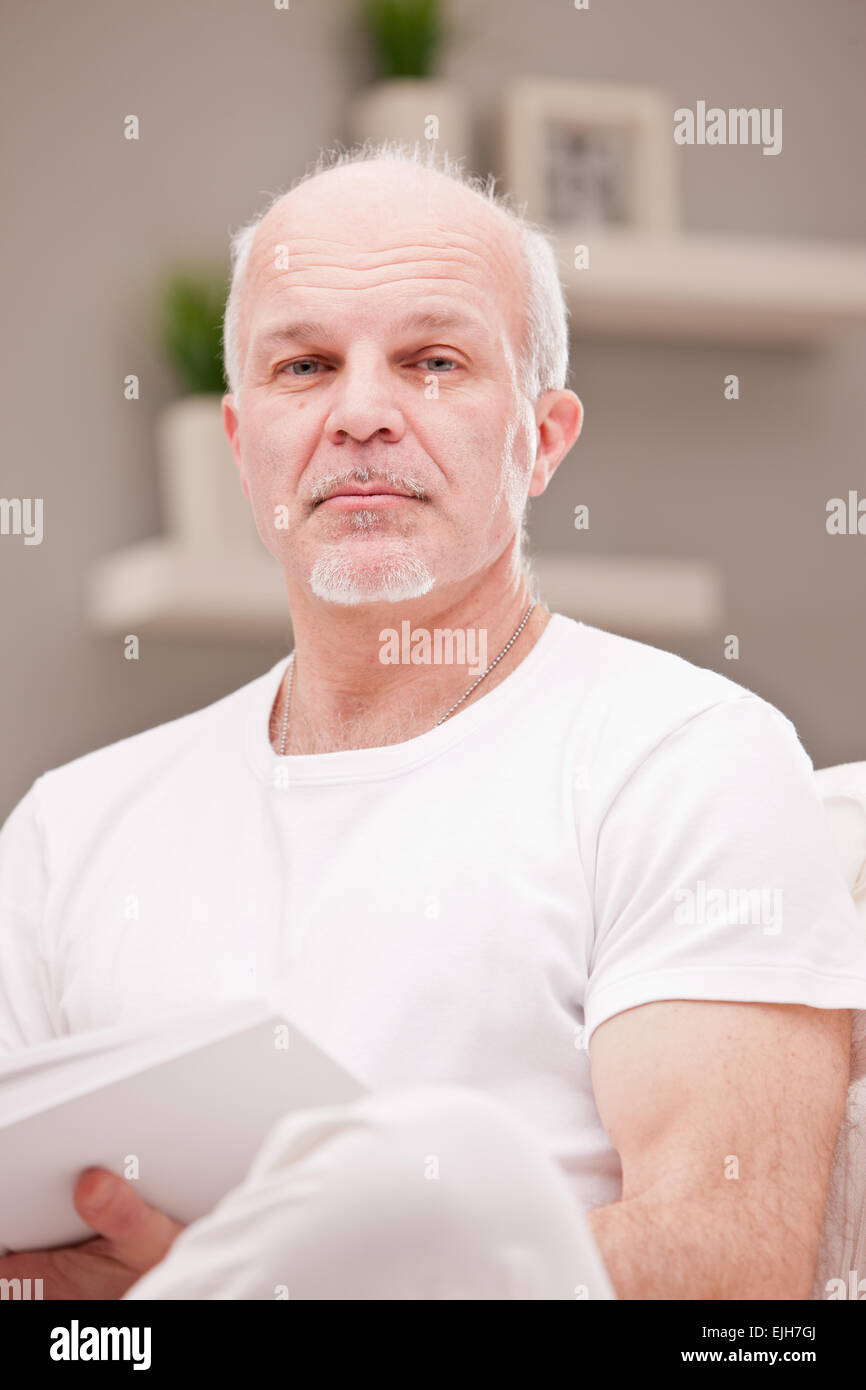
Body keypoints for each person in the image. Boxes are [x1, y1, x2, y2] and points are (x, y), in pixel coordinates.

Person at [1, 142, 865, 1301]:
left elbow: (730, 1273)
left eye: (433, 360)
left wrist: (256, 1287)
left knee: (462, 1170)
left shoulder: (687, 757)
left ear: (542, 438)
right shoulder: (72, 827)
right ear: (241, 440)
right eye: (303, 365)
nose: (360, 413)